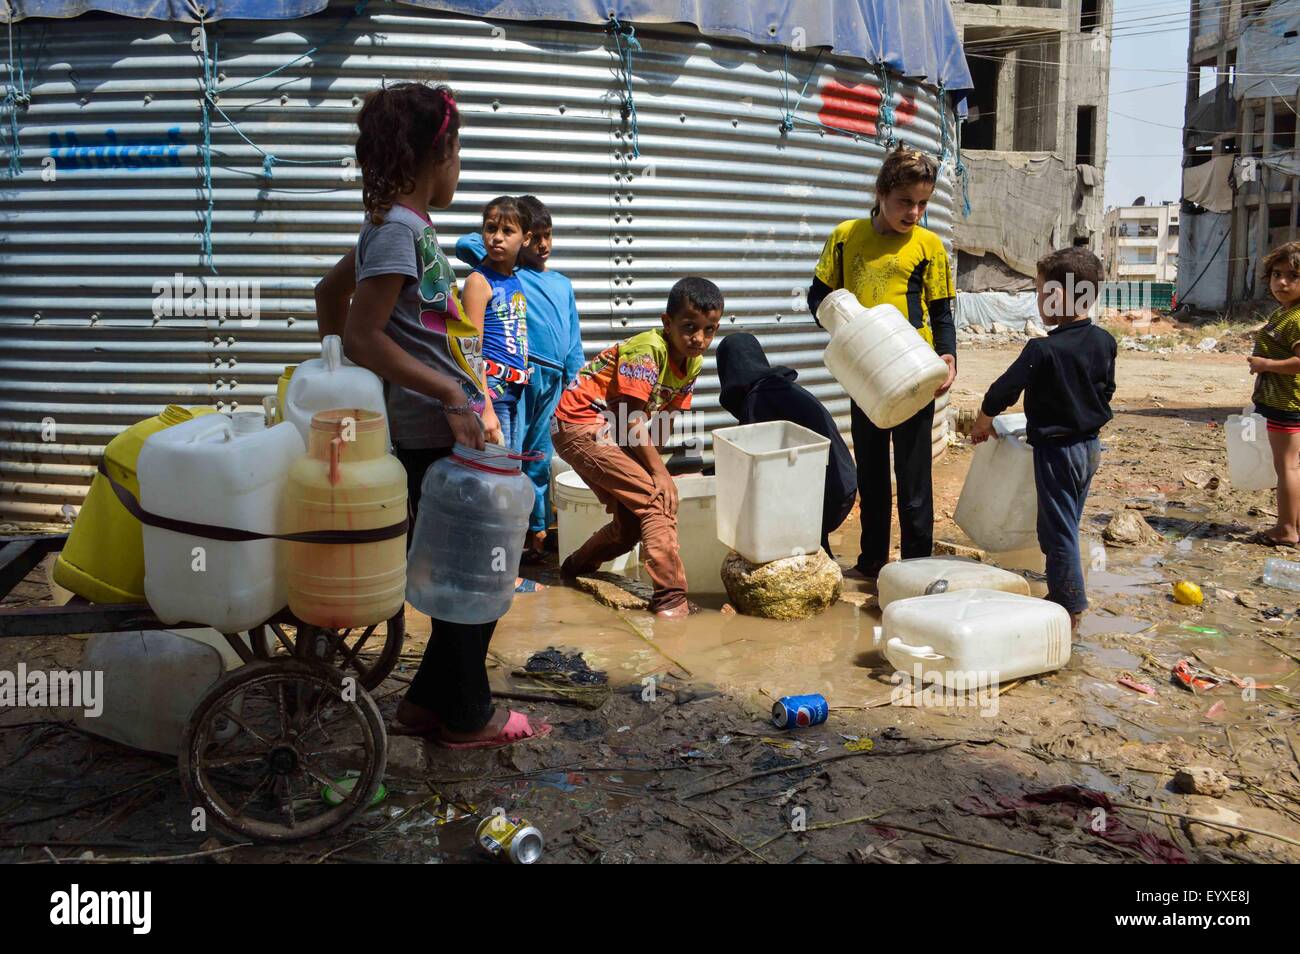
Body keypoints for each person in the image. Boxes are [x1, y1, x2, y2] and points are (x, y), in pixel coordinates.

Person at [314, 82, 548, 748]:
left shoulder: (400, 228)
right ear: (437, 153)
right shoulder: (397, 231)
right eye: (459, 149)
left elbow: (328, 292)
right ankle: (469, 715)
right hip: (432, 433)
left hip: (446, 427)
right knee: (480, 570)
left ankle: (423, 703)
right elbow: (364, 333)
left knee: (461, 567)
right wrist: (443, 394)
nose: (460, 165)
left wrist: (463, 391)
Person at [806, 146, 957, 578]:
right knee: (872, 473)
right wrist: (847, 330)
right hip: (867, 372)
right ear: (881, 193)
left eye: (923, 204)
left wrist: (948, 355)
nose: (914, 213)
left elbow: (942, 310)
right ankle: (873, 561)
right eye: (905, 202)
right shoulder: (846, 237)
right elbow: (817, 295)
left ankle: (915, 566)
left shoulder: (928, 246)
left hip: (914, 370)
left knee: (914, 478)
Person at [551, 278, 724, 618]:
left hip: (611, 429)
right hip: (580, 423)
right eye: (689, 327)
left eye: (709, 330)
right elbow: (629, 417)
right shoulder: (647, 350)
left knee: (631, 523)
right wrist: (658, 475)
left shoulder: (694, 361)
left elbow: (665, 419)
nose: (699, 339)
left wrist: (653, 467)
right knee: (655, 500)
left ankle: (574, 569)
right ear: (666, 323)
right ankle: (671, 600)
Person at [971, 247, 1117, 631]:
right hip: (1090, 448)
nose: (1037, 300)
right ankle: (1066, 593)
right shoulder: (1104, 342)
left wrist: (984, 420)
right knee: (1066, 523)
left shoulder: (1042, 350)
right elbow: (1107, 389)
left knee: (1057, 531)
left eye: (1040, 292)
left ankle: (1067, 604)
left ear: (1061, 297)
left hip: (1058, 451)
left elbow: (1004, 389)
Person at [456, 195, 584, 560]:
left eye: (548, 236)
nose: (543, 245)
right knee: (509, 458)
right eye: (536, 236)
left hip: (553, 380)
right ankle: (505, 545)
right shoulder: (512, 274)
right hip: (518, 378)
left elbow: (573, 339)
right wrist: (513, 239)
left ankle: (537, 532)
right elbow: (464, 242)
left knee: (538, 457)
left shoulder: (561, 283)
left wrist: (576, 382)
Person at [715, 332, 856, 557]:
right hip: (840, 487)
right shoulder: (779, 389)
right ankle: (819, 553)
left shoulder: (759, 398)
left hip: (823, 497)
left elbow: (749, 463)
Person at [461, 196, 534, 452]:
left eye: (507, 231)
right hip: (492, 393)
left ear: (525, 238)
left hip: (514, 393)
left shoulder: (514, 279)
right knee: (496, 479)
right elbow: (471, 351)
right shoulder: (479, 281)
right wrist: (485, 409)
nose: (497, 237)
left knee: (510, 473)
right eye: (491, 228)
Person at [1246, 241, 1300, 546]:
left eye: (1293, 276)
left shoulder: (1296, 319)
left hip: (1288, 402)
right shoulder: (1286, 313)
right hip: (1284, 400)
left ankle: (1286, 529)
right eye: (1277, 274)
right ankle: (1294, 522)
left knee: (1287, 466)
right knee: (1290, 465)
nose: (1282, 282)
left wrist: (1268, 364)